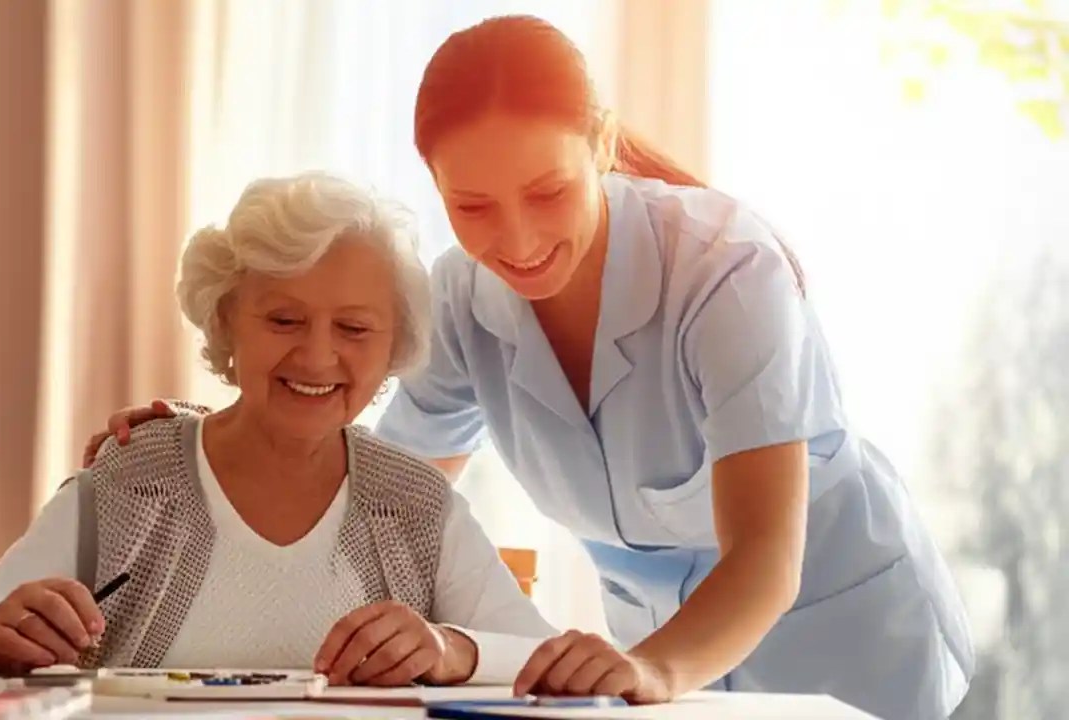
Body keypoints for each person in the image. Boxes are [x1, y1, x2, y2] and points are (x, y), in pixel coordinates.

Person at [86, 14, 975, 719]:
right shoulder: (465, 302)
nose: (514, 241)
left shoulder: (725, 270)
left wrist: (650, 668)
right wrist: (208, 442)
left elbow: (766, 553)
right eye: (470, 205)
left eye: (546, 193)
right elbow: (367, 483)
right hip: (651, 652)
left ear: (600, 142)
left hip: (832, 626)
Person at [0, 172, 558, 685]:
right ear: (225, 324)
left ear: (394, 348)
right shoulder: (134, 477)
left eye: (354, 329)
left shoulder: (415, 503)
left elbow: (539, 655)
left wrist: (450, 648)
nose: (318, 356)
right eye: (283, 320)